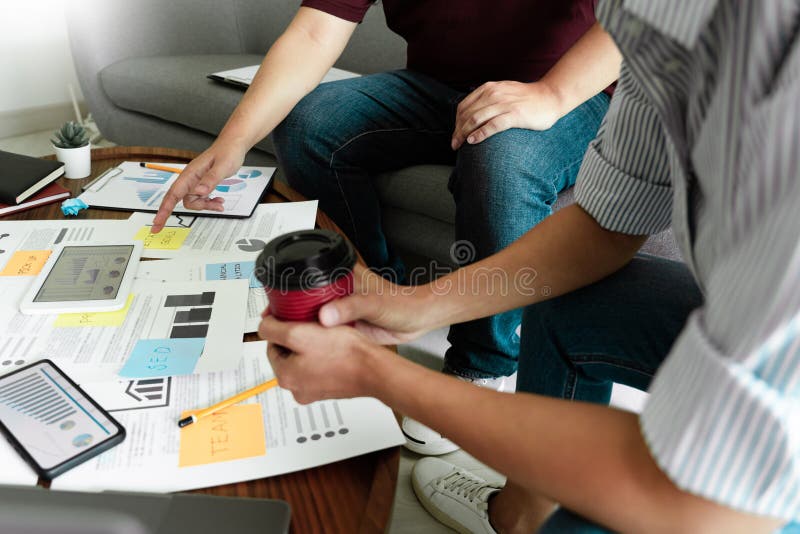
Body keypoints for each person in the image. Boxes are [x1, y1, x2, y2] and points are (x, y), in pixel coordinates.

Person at [257, 0, 800, 532]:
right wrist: (414, 304)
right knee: (573, 300)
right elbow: (602, 229)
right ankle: (516, 513)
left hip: (740, 499)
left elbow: (708, 504)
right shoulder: (660, 28)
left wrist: (377, 373)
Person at [150, 1, 622, 454]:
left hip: (566, 93)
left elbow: (649, 14)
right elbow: (315, 32)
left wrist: (550, 95)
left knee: (500, 161)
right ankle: (377, 298)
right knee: (309, 124)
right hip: (437, 88)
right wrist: (231, 144)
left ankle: (483, 363)